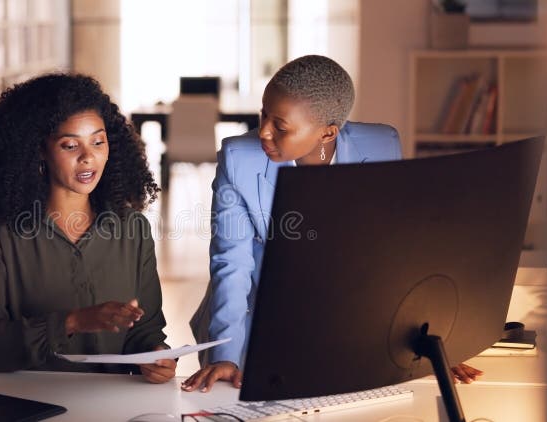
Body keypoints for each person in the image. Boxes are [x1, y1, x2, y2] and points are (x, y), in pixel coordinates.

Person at [183, 55, 483, 392]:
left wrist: (432, 342)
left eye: (280, 125)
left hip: (343, 315)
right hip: (253, 317)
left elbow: (395, 254)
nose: (264, 131)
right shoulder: (239, 159)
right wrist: (227, 356)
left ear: (328, 132)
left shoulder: (382, 147)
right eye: (263, 114)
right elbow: (232, 264)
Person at [0, 73, 176, 383]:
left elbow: (144, 328)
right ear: (40, 150)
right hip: (26, 401)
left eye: (98, 141)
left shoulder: (133, 229)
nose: (88, 157)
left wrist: (155, 354)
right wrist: (73, 321)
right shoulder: (0, 233)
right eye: (70, 145)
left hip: (111, 404)